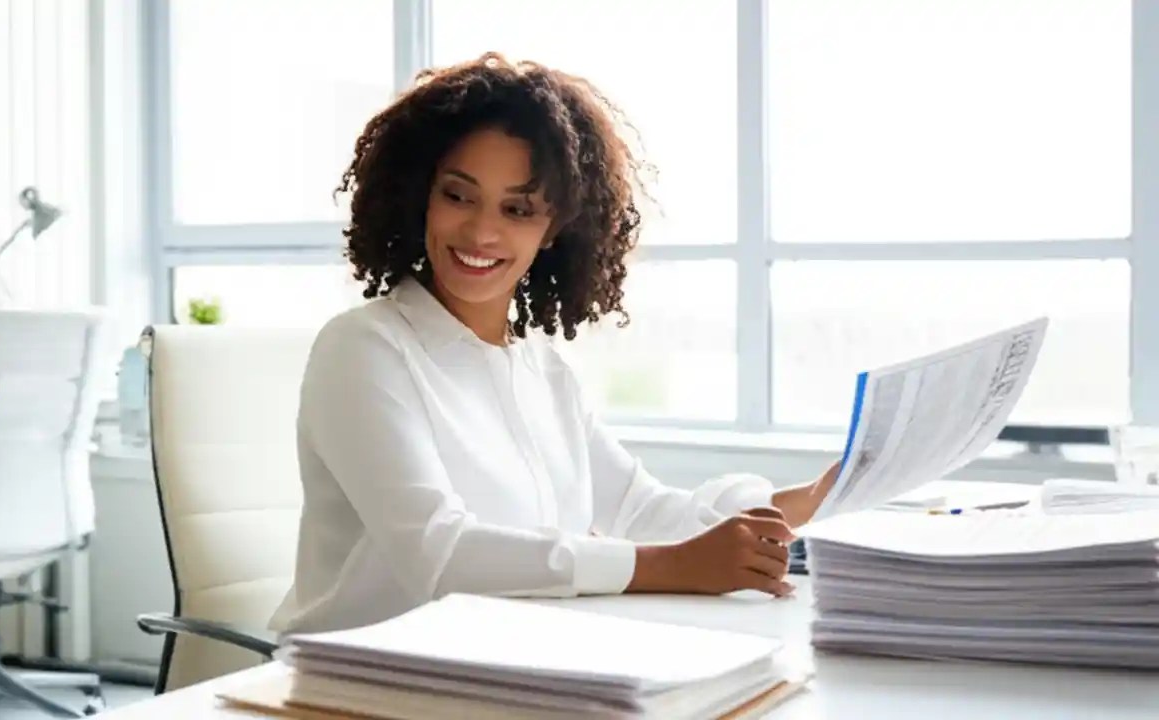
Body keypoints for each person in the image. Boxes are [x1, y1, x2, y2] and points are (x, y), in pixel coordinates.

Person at [270, 53, 839, 635]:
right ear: (420, 196)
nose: (481, 232)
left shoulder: (543, 372)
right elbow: (437, 553)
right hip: (354, 679)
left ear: (553, 231)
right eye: (458, 196)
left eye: (517, 209)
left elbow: (641, 512)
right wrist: (669, 567)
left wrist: (818, 498)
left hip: (505, 664)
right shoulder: (363, 350)